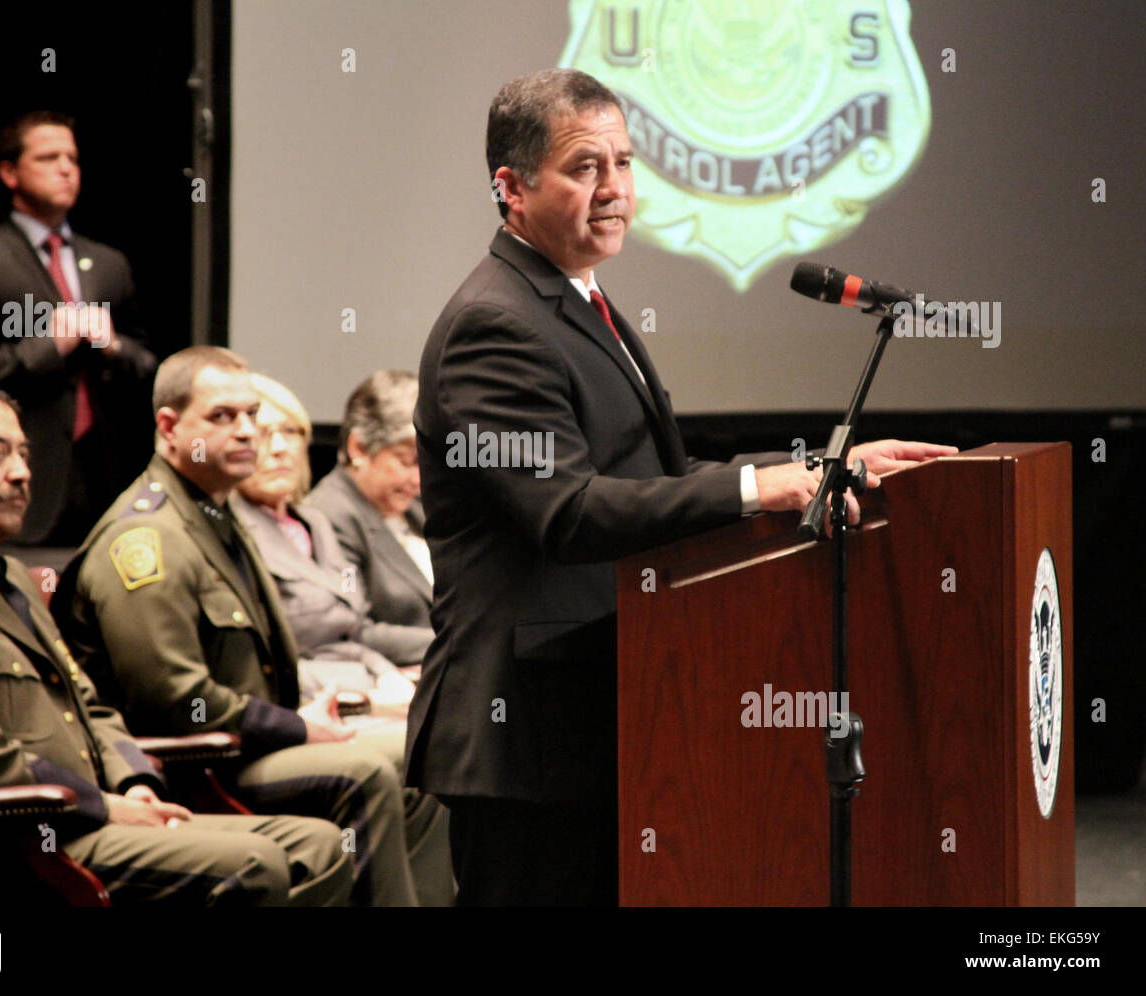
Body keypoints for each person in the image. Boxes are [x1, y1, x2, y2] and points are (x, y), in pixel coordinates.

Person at [406, 68, 957, 906]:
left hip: (597, 716)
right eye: (585, 167)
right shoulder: (496, 324)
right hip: (524, 737)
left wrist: (820, 470)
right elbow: (570, 509)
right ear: (510, 187)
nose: (616, 189)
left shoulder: (579, 301)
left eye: (624, 163)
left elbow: (657, 479)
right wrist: (761, 490)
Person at [0, 385, 351, 906]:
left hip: (91, 810)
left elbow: (89, 707)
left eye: (23, 453)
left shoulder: (10, 577)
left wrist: (135, 782)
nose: (21, 472)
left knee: (319, 845)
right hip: (23, 836)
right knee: (257, 862)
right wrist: (103, 806)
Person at [53, 347, 452, 906]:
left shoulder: (216, 516)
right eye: (222, 417)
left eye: (251, 416)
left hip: (251, 741)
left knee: (427, 748)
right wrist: (296, 726)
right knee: (367, 771)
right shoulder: (146, 539)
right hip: (197, 761)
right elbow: (174, 701)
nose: (248, 432)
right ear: (169, 428)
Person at [0, 110, 157, 549]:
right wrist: (50, 346)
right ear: (9, 172)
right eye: (48, 158)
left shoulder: (109, 263)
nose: (66, 169)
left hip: (106, 478)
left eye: (72, 158)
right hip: (22, 473)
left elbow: (148, 363)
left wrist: (112, 346)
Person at [230, 373, 432, 705]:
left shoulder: (312, 523)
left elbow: (350, 632)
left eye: (290, 432)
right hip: (306, 701)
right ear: (358, 449)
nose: (280, 448)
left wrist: (384, 676)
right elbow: (299, 648)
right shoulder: (238, 529)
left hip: (371, 685)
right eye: (264, 434)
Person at [307, 371, 434, 633]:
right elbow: (353, 631)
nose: (419, 479)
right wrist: (457, 646)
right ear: (359, 449)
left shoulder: (417, 510)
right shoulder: (328, 516)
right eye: (407, 461)